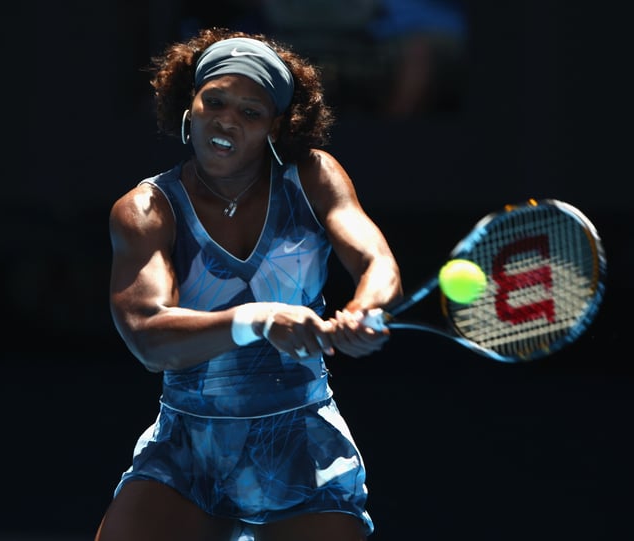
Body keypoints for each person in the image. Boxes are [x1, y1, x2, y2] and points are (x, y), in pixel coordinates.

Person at [94, 27, 403, 541]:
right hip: (188, 453)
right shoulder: (146, 210)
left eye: (250, 112)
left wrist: (366, 309)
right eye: (214, 101)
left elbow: (377, 260)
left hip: (303, 448)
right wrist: (257, 320)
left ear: (277, 127)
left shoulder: (314, 177)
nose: (226, 121)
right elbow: (147, 337)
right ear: (189, 108)